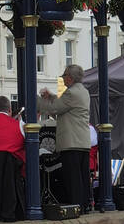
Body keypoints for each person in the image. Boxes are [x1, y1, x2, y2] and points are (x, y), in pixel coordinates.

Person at [38, 65, 91, 211]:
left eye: (64, 76)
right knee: (82, 177)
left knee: (72, 178)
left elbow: (53, 109)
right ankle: (84, 205)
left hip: (71, 142)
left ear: (70, 77)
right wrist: (52, 97)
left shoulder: (71, 93)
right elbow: (63, 105)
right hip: (82, 142)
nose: (62, 79)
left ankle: (76, 206)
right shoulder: (83, 91)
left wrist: (37, 99)